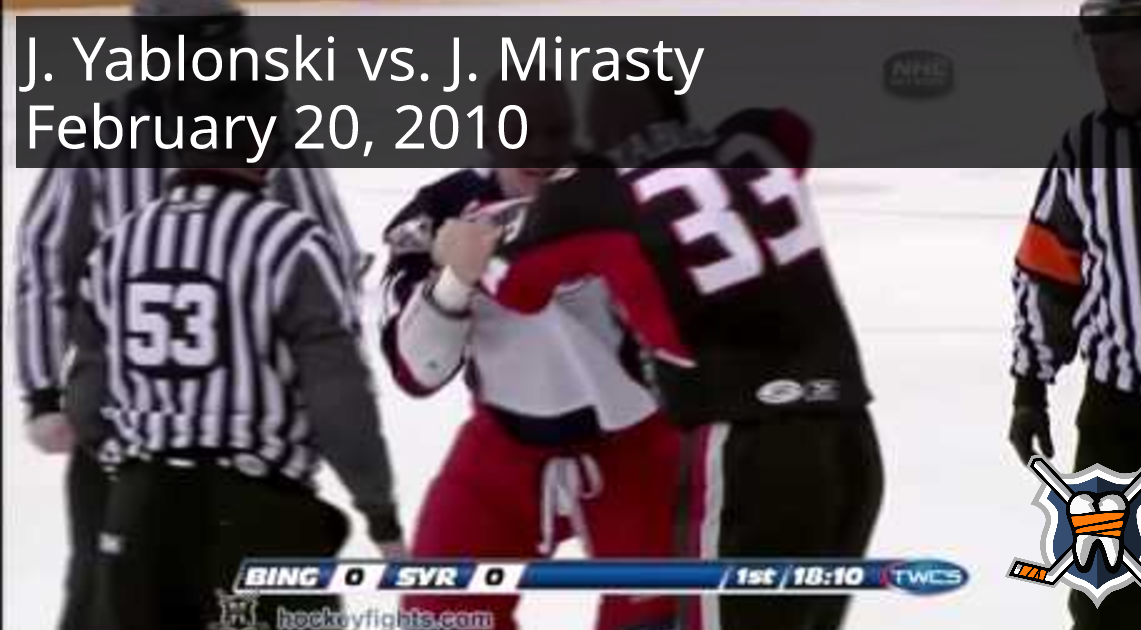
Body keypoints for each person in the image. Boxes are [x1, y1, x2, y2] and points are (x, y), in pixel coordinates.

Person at [479, 78, 883, 630]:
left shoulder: (599, 198)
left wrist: (472, 242)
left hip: (748, 448)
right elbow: (790, 126)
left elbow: (515, 287)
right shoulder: (755, 145)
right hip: (852, 438)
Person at [11, 4, 362, 629]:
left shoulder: (271, 132)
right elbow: (44, 259)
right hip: (131, 445)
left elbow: (329, 265)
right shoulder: (101, 137)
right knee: (105, 600)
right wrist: (41, 390)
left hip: (247, 449)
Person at [379, 75, 680, 630]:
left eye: (556, 133)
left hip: (635, 450)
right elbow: (416, 372)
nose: (540, 152)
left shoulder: (622, 189)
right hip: (504, 450)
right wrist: (453, 281)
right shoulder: (436, 213)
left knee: (661, 616)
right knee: (438, 616)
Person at [1008, 1, 1141, 627]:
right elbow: (1047, 270)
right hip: (1125, 425)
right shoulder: (1085, 146)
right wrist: (1029, 388)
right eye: (1095, 48)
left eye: (1120, 46)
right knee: (1107, 615)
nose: (1104, 64)